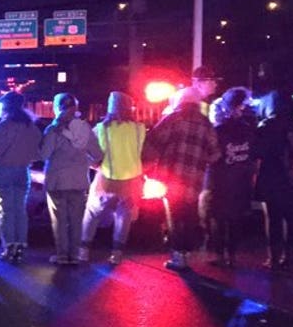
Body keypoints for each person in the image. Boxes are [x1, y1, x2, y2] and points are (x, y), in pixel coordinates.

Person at [142, 86, 221, 271]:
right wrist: (200, 159)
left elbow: (152, 143)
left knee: (174, 216)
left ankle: (178, 256)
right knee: (190, 214)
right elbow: (215, 154)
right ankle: (187, 253)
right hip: (195, 179)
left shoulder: (172, 118)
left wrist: (146, 166)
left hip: (171, 177)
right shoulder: (205, 123)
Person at [80, 92, 147, 264]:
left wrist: (95, 166)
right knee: (123, 217)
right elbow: (145, 153)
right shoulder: (139, 129)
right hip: (132, 182)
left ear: (110, 108)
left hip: (106, 181)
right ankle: (116, 254)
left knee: (92, 213)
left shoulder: (101, 129)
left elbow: (88, 154)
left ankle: (83, 251)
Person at [39, 93, 102, 265]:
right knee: (76, 220)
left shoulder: (53, 129)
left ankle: (62, 255)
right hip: (79, 180)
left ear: (57, 107)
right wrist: (83, 159)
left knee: (59, 220)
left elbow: (44, 154)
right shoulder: (84, 128)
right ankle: (75, 255)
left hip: (57, 181)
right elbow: (97, 154)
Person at [0, 91, 41, 262]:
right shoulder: (32, 128)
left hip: (3, 171)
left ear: (5, 107)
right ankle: (21, 245)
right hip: (23, 172)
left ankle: (9, 247)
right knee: (20, 210)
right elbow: (37, 153)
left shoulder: (2, 128)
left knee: (5, 211)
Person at [203, 87, 257, 268]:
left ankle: (219, 255)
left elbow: (211, 154)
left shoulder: (218, 130)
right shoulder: (249, 129)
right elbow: (253, 155)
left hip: (220, 179)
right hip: (241, 180)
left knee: (218, 217)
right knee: (235, 219)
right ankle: (232, 256)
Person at [253, 91, 293, 269]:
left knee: (273, 218)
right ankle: (291, 258)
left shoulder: (265, 126)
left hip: (271, 177)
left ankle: (274, 258)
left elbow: (257, 154)